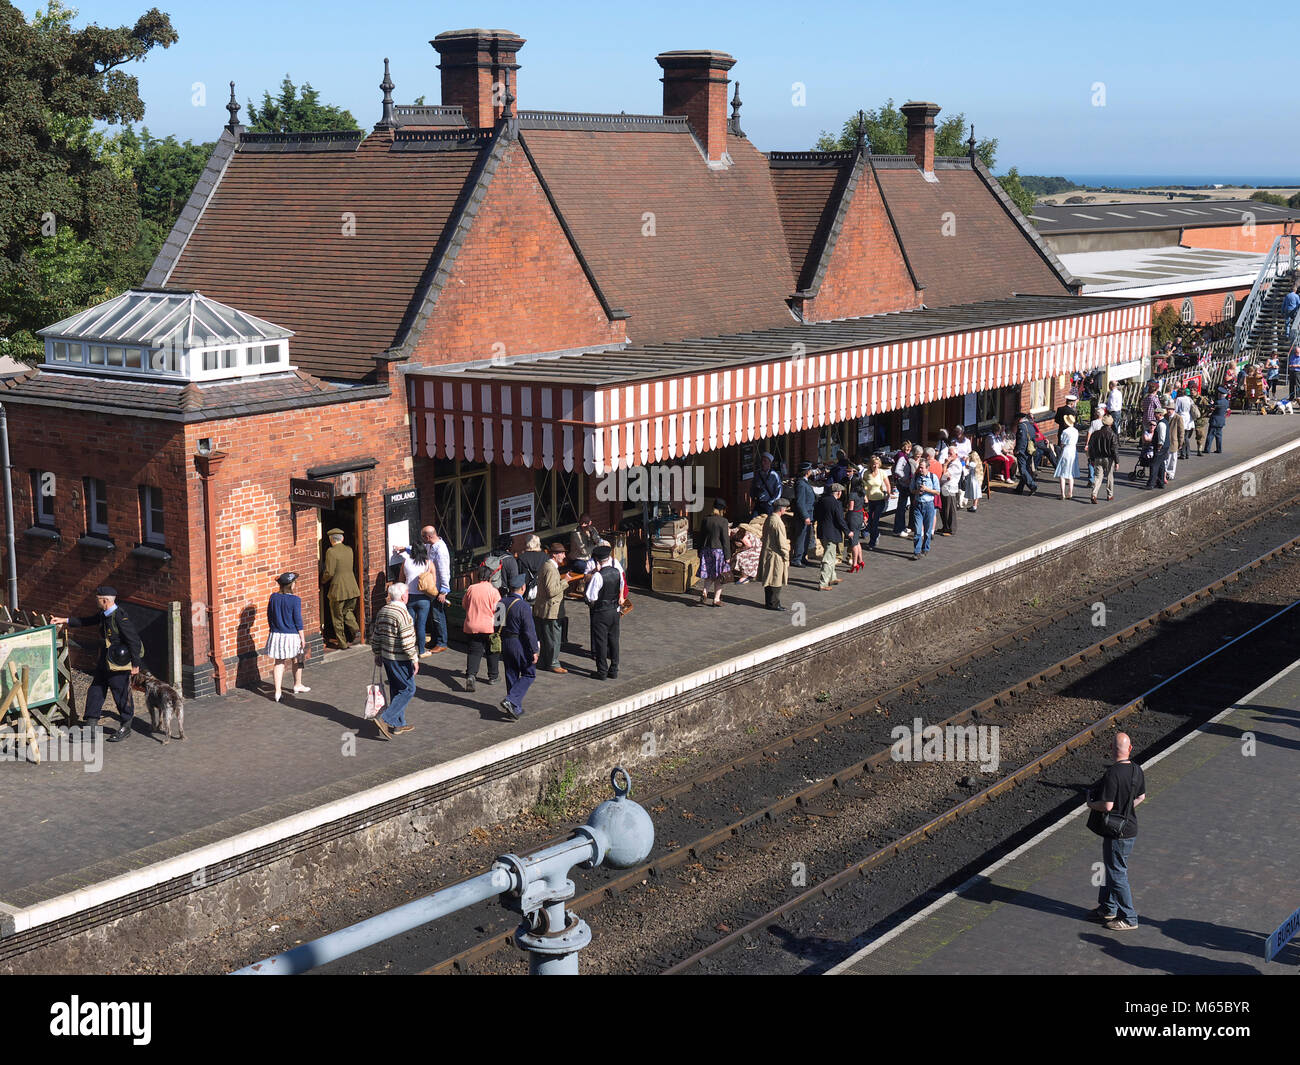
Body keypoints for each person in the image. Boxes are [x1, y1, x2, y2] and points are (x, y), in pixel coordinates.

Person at [52, 586, 142, 742]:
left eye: (97, 599)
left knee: (121, 693)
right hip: (105, 661)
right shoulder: (104, 614)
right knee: (95, 691)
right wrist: (64, 620)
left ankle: (126, 726)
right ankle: (90, 729)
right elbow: (87, 620)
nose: (96, 601)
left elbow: (133, 640)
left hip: (118, 664)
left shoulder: (119, 616)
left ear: (105, 600)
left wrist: (135, 664)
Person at [1086, 731, 1147, 931]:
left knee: (1117, 873)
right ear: (1130, 749)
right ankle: (1108, 908)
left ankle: (1129, 917)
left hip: (1116, 832)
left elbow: (1108, 806)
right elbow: (1141, 797)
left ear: (1112, 749)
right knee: (1112, 868)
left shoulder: (1112, 773)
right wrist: (1127, 810)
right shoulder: (1137, 770)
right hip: (1130, 828)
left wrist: (1091, 804)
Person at [370, 583, 418, 739]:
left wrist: (377, 653)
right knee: (408, 689)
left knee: (396, 689)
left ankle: (399, 724)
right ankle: (385, 718)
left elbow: (376, 635)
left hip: (386, 656)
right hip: (400, 658)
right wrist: (414, 658)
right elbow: (407, 642)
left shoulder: (383, 611)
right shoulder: (403, 614)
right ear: (404, 596)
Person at [264, 572, 309, 702]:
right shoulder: (295, 600)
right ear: (291, 584)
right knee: (298, 658)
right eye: (294, 582)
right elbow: (298, 621)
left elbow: (269, 616)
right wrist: (302, 638)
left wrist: (273, 629)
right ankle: (297, 684)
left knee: (279, 662)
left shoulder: (273, 597)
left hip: (276, 634)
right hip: (292, 635)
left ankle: (277, 692)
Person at [584, 544, 623, 681]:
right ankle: (614, 669)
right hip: (615, 610)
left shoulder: (598, 576)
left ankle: (602, 671)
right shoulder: (617, 571)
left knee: (601, 641)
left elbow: (591, 596)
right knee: (614, 640)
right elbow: (621, 587)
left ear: (598, 561)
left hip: (601, 612)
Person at [460, 564, 501, 692]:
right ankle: (493, 676)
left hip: (472, 625)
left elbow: (464, 605)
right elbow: (499, 611)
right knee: (492, 651)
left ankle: (471, 675)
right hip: (489, 626)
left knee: (474, 652)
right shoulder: (494, 591)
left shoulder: (471, 588)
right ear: (490, 578)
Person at [391, 541, 434, 661]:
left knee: (409, 625)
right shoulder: (428, 564)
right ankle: (421, 651)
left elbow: (401, 579)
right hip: (424, 598)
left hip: (409, 597)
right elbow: (433, 582)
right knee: (421, 625)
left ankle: (407, 650)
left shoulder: (406, 562)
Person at [322, 528, 361, 648]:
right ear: (342, 538)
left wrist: (322, 581)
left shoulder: (331, 552)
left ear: (330, 540)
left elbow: (329, 572)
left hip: (338, 590)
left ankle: (342, 643)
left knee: (337, 617)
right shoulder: (349, 550)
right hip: (352, 587)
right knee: (348, 611)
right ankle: (356, 631)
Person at [534, 541, 567, 674]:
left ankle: (543, 662)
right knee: (554, 638)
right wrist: (566, 581)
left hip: (544, 609)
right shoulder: (551, 568)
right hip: (551, 610)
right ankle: (553, 663)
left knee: (546, 637)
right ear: (555, 555)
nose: (564, 556)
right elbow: (551, 591)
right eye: (562, 553)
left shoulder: (548, 566)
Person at [418, 525, 451, 654]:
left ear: (428, 536)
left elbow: (444, 570)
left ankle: (442, 642)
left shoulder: (440, 550)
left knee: (438, 615)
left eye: (423, 536)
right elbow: (420, 550)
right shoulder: (429, 546)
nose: (422, 539)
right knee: (433, 614)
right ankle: (435, 640)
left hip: (437, 589)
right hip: (431, 587)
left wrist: (444, 590)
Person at [696, 498, 732, 606]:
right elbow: (725, 540)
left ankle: (704, 592)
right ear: (722, 510)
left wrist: (699, 550)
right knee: (719, 577)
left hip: (706, 550)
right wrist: (728, 556)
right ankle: (716, 599)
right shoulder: (723, 521)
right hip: (718, 551)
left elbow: (701, 537)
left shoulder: (706, 519)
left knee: (708, 575)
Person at [814, 482, 849, 590]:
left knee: (832, 555)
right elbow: (840, 520)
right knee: (828, 558)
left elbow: (816, 515)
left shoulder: (821, 500)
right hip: (832, 533)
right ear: (838, 493)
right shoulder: (836, 504)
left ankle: (832, 577)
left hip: (822, 532)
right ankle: (823, 583)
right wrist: (848, 532)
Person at [758, 497, 791, 611]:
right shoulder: (778, 522)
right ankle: (774, 604)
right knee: (776, 579)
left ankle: (769, 602)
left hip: (767, 552)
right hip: (775, 554)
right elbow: (781, 543)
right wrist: (786, 556)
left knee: (769, 578)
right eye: (786, 508)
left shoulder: (769, 518)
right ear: (782, 509)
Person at [910, 458, 940, 560]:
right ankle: (916, 551)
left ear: (927, 468)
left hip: (929, 505)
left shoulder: (933, 477)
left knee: (927, 531)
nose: (920, 469)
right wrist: (917, 490)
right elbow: (911, 489)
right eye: (919, 467)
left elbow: (937, 492)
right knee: (918, 530)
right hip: (918, 505)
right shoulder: (916, 477)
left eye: (922, 468)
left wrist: (927, 489)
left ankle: (925, 548)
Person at [1087, 412, 1119, 503]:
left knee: (1098, 477)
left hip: (1097, 457)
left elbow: (1091, 447)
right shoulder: (1112, 435)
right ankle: (1110, 495)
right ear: (1111, 423)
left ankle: (1094, 494)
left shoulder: (1096, 434)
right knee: (1109, 476)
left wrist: (1092, 458)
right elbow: (1114, 449)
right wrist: (1117, 461)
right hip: (1109, 458)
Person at [791, 461, 816, 567]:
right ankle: (797, 558)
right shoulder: (801, 484)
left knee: (806, 537)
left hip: (809, 513)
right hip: (803, 515)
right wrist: (805, 516)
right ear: (807, 472)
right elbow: (800, 502)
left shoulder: (804, 482)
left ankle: (802, 557)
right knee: (801, 536)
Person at [863, 454, 891, 548]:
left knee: (875, 521)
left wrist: (888, 494)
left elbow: (887, 485)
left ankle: (872, 542)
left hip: (880, 500)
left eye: (876, 464)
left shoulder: (882, 472)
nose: (875, 466)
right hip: (870, 501)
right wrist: (865, 496)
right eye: (873, 464)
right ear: (870, 464)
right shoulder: (866, 473)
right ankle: (876, 535)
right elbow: (864, 486)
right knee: (870, 521)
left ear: (879, 464)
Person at [750, 451, 782, 518]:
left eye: (765, 461)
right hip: (758, 502)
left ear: (769, 463)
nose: (762, 463)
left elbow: (779, 491)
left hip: (768, 504)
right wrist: (753, 497)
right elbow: (752, 487)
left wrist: (771, 502)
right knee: (753, 520)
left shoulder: (774, 475)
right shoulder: (758, 474)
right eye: (762, 461)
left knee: (769, 520)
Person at [1013, 411, 1038, 496]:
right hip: (1029, 450)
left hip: (1023, 451)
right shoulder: (1030, 426)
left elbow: (1021, 439)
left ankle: (1032, 485)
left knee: (1022, 470)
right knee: (1026, 469)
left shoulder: (1021, 426)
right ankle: (1019, 488)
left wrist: (1018, 449)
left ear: (1019, 419)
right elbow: (1034, 438)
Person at [1146, 405, 1171, 490]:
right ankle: (1161, 482)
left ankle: (1151, 484)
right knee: (1161, 465)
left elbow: (1161, 437)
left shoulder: (1161, 424)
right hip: (1166, 446)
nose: (1154, 415)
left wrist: (1159, 446)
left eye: (1155, 413)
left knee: (1154, 465)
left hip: (1161, 447)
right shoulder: (1165, 422)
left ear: (1160, 414)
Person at [730, 518, 762, 583]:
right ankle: (745, 574)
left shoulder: (736, 533)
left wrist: (739, 550)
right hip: (754, 546)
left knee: (740, 556)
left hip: (755, 547)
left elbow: (748, 545)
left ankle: (745, 576)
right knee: (737, 555)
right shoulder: (735, 532)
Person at [892, 442, 914, 536]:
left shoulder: (900, 455)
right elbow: (897, 470)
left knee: (902, 506)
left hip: (901, 484)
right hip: (903, 485)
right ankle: (899, 529)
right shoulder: (902, 457)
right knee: (901, 507)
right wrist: (905, 479)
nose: (908, 450)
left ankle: (901, 527)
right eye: (906, 447)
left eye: (909, 448)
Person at [844, 477, 866, 572]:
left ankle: (854, 564)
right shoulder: (862, 492)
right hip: (860, 515)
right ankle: (861, 560)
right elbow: (866, 501)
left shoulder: (852, 494)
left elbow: (851, 508)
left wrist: (846, 518)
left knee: (853, 542)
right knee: (857, 540)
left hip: (853, 517)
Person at [1055, 413, 1078, 500]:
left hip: (1066, 450)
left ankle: (1062, 494)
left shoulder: (1065, 431)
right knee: (1071, 473)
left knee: (1062, 473)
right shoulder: (1076, 431)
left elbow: (1062, 443)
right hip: (1073, 450)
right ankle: (1070, 492)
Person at [939, 450, 962, 533]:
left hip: (950, 488)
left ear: (956, 455)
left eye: (951, 454)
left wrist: (945, 464)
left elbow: (945, 476)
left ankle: (951, 528)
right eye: (948, 453)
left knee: (950, 509)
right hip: (945, 487)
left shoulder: (956, 465)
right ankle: (945, 527)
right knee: (944, 509)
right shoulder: (951, 463)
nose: (949, 455)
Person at [1164, 398, 1185, 480]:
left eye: (1170, 409)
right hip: (1165, 442)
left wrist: (1181, 443)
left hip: (1174, 442)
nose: (1168, 411)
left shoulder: (1178, 418)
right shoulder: (1165, 416)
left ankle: (1171, 473)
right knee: (1165, 458)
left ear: (1173, 410)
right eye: (1167, 409)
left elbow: (1181, 431)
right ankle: (1165, 472)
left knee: (1172, 459)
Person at [1206, 386, 1229, 453]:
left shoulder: (1218, 402)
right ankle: (1219, 449)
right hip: (1221, 420)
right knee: (1219, 436)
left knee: (1210, 435)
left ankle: (1207, 449)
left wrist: (1211, 404)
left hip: (1215, 420)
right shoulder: (1226, 402)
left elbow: (1212, 408)